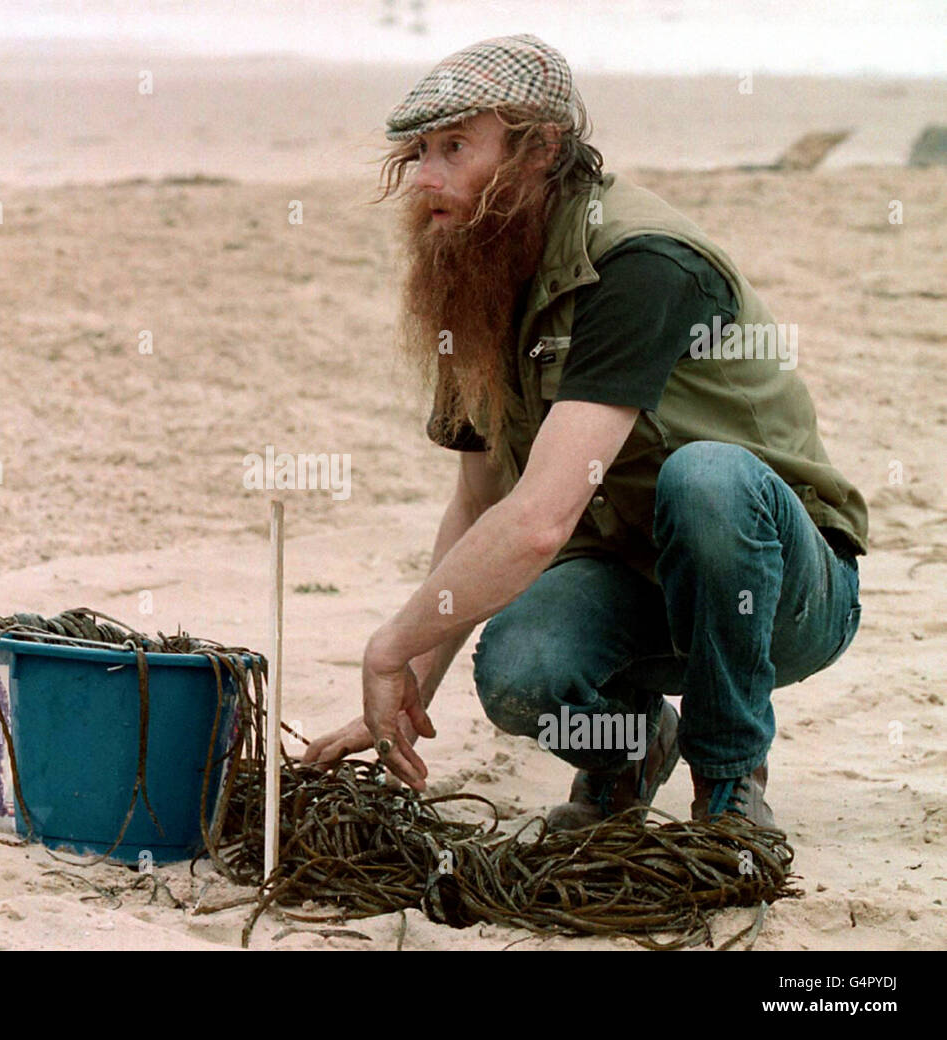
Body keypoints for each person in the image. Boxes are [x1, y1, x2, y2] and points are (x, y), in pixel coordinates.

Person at [301, 34, 867, 834]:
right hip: (634, 579)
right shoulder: (475, 269)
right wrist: (412, 685)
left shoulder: (642, 262)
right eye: (420, 151)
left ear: (541, 149)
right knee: (521, 669)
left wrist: (388, 646)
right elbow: (480, 503)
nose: (427, 176)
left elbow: (539, 521)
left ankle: (729, 781)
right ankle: (629, 751)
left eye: (456, 147)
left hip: (784, 591)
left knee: (707, 479)